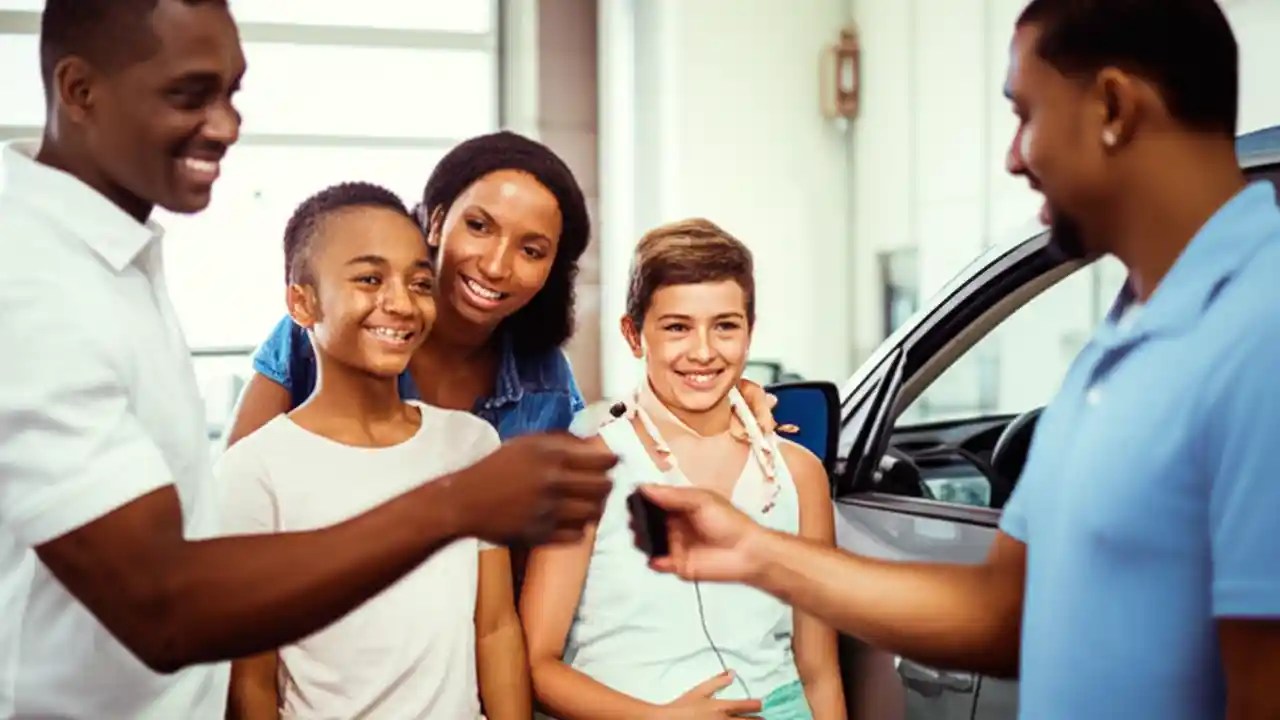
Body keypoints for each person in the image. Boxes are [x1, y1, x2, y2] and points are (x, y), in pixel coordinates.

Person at [635, 1, 1280, 719]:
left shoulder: (1261, 335)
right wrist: (759, 552)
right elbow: (1003, 611)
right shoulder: (1121, 340)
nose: (1012, 157)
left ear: (1112, 107)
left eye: (1024, 113)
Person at [0, 2, 613, 718]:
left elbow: (501, 617)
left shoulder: (116, 259)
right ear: (79, 91)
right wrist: (456, 503)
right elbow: (165, 601)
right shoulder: (34, 284)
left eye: (232, 92)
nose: (228, 124)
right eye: (188, 95)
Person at [220, 182, 530, 719]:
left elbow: (496, 627)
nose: (401, 304)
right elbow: (252, 682)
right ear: (302, 300)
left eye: (418, 283)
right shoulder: (255, 471)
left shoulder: (472, 444)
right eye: (369, 279)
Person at [521, 219, 846, 720]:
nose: (703, 351)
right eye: (677, 327)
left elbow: (819, 670)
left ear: (750, 331)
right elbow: (536, 665)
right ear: (634, 335)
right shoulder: (584, 471)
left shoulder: (799, 477)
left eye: (725, 325)